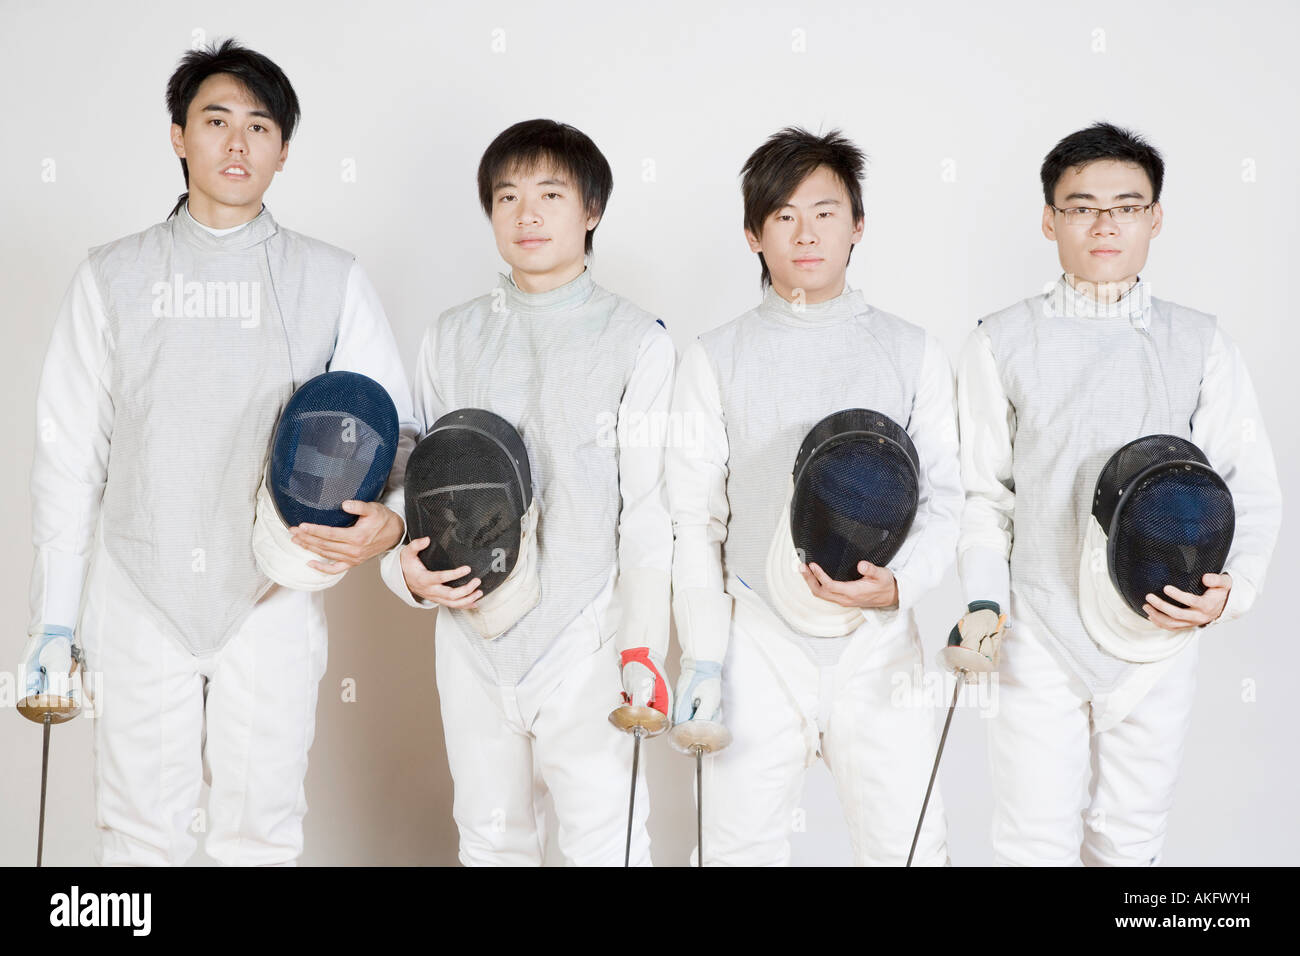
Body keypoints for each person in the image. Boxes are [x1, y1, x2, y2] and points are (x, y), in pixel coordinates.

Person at [21, 38, 417, 865]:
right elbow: (69, 457)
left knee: (261, 833)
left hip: (272, 592)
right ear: (178, 136)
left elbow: (396, 436)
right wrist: (55, 620)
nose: (237, 144)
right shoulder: (111, 277)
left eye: (259, 127)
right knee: (137, 835)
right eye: (216, 120)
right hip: (139, 590)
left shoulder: (331, 276)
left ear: (283, 151)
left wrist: (389, 521)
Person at [949, 121, 1282, 866]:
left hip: (1158, 631)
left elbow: (1249, 483)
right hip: (1034, 631)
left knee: (1130, 843)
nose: (1105, 223)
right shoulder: (1000, 340)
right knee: (1031, 843)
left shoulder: (1201, 341)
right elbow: (982, 494)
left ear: (1155, 218)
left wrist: (1235, 590)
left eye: (1127, 206)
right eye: (1081, 206)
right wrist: (983, 604)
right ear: (1049, 219)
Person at [381, 119, 675, 866]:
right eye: (507, 196)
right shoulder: (449, 337)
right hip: (472, 633)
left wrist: (642, 647)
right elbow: (406, 480)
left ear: (592, 211)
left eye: (550, 193)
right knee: (488, 840)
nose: (527, 214)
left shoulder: (639, 340)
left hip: (588, 633)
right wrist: (405, 576)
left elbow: (648, 512)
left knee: (607, 844)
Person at [667, 127, 962, 865]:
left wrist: (899, 588)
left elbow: (947, 498)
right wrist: (703, 656)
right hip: (755, 639)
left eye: (826, 212)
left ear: (858, 225)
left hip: (879, 644)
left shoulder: (912, 350)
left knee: (911, 849)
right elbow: (693, 518)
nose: (806, 233)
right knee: (735, 852)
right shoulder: (714, 356)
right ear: (752, 233)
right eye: (784, 215)